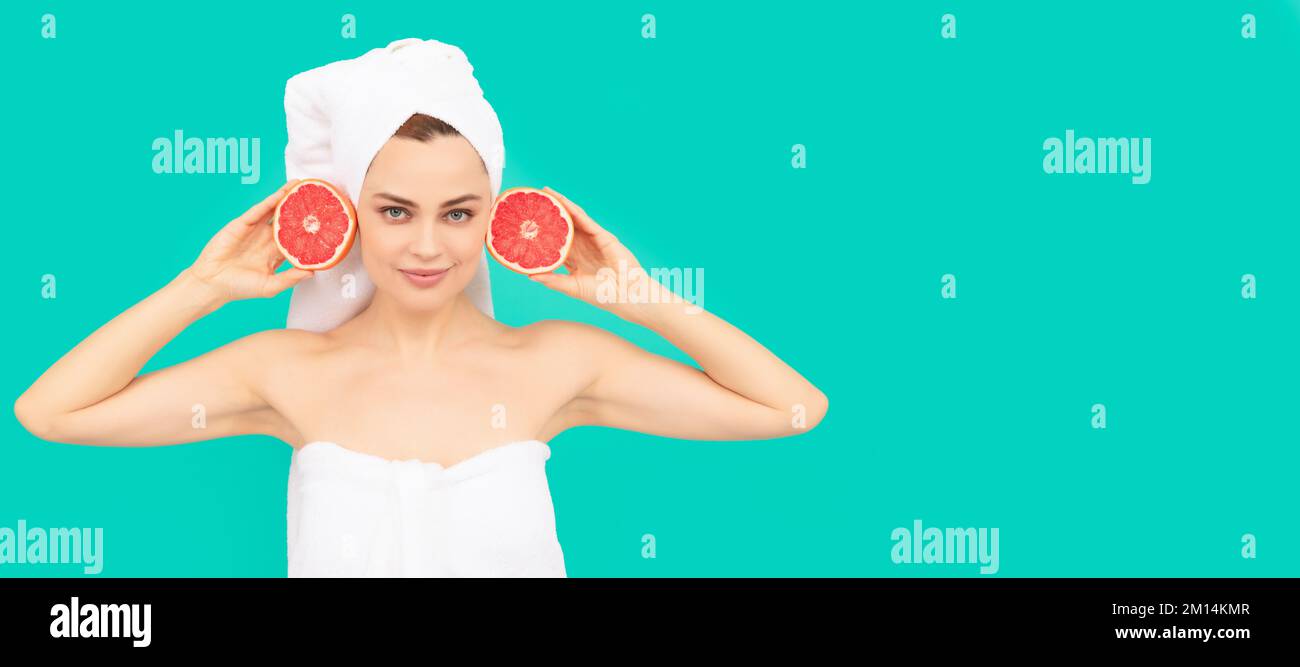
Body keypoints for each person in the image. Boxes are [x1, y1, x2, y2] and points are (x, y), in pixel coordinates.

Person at [13, 39, 828, 577]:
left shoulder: (552, 363)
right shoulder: (286, 372)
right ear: (349, 209)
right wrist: (204, 285)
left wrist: (635, 293)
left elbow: (792, 407)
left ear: (494, 211)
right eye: (396, 211)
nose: (429, 246)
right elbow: (50, 410)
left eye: (459, 212)